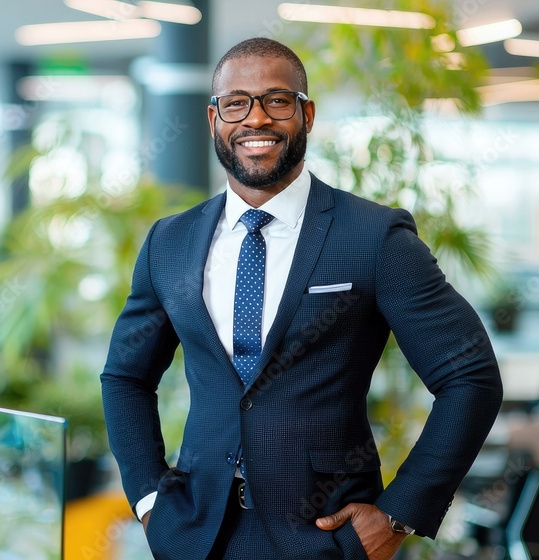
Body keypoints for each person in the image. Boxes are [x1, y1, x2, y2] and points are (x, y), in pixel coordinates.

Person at [100, 37, 502, 560]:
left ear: (306, 114)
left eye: (277, 100)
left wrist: (401, 511)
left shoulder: (373, 237)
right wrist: (151, 499)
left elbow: (469, 377)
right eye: (236, 102)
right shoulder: (169, 243)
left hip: (326, 537)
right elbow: (126, 377)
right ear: (213, 118)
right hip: (196, 534)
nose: (256, 119)